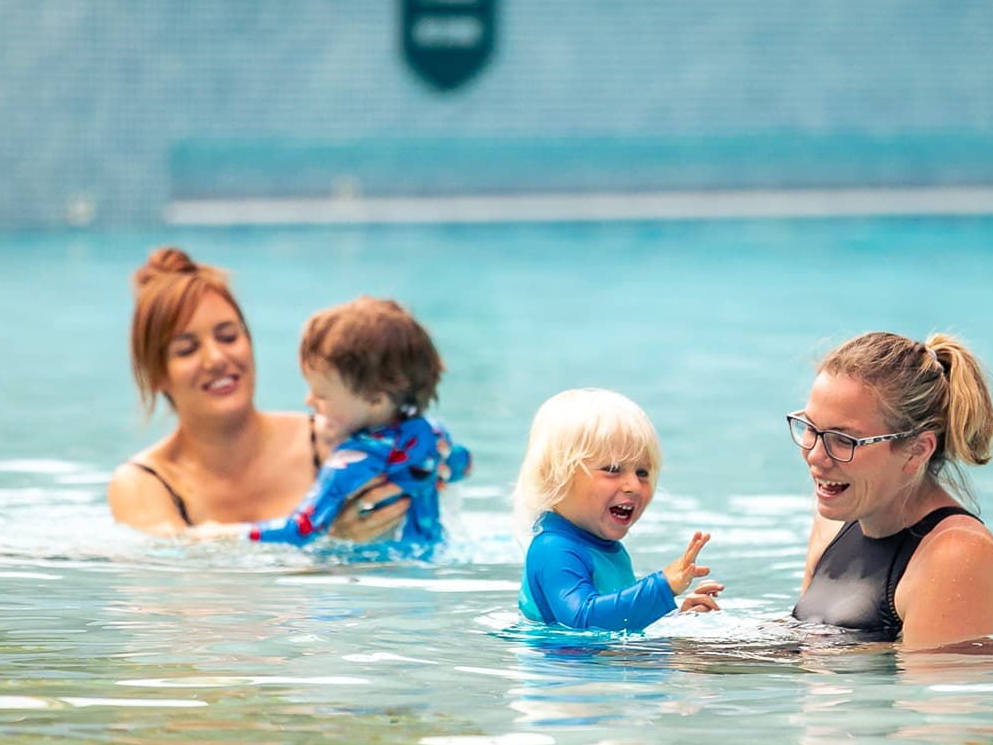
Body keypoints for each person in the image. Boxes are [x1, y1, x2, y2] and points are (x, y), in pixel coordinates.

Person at [107, 247, 408, 540]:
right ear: (157, 375)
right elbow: (183, 581)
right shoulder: (144, 484)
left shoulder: (332, 440)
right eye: (187, 350)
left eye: (228, 336)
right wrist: (329, 541)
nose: (216, 359)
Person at [789, 331, 993, 650]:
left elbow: (932, 695)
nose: (814, 455)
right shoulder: (833, 524)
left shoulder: (956, 558)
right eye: (811, 428)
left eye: (844, 440)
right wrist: (702, 638)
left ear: (917, 450)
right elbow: (807, 650)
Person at [208, 296, 471, 550]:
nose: (309, 400)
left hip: (377, 573)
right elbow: (463, 464)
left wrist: (223, 534)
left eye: (322, 395)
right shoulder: (435, 435)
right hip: (428, 558)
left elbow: (300, 530)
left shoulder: (353, 459)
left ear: (376, 399)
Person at [513, 388, 722, 631]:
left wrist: (675, 615)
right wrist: (662, 586)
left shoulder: (609, 550)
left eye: (642, 472)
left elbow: (619, 622)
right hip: (566, 666)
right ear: (555, 476)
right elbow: (581, 619)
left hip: (603, 662)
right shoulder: (553, 549)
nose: (633, 485)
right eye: (613, 469)